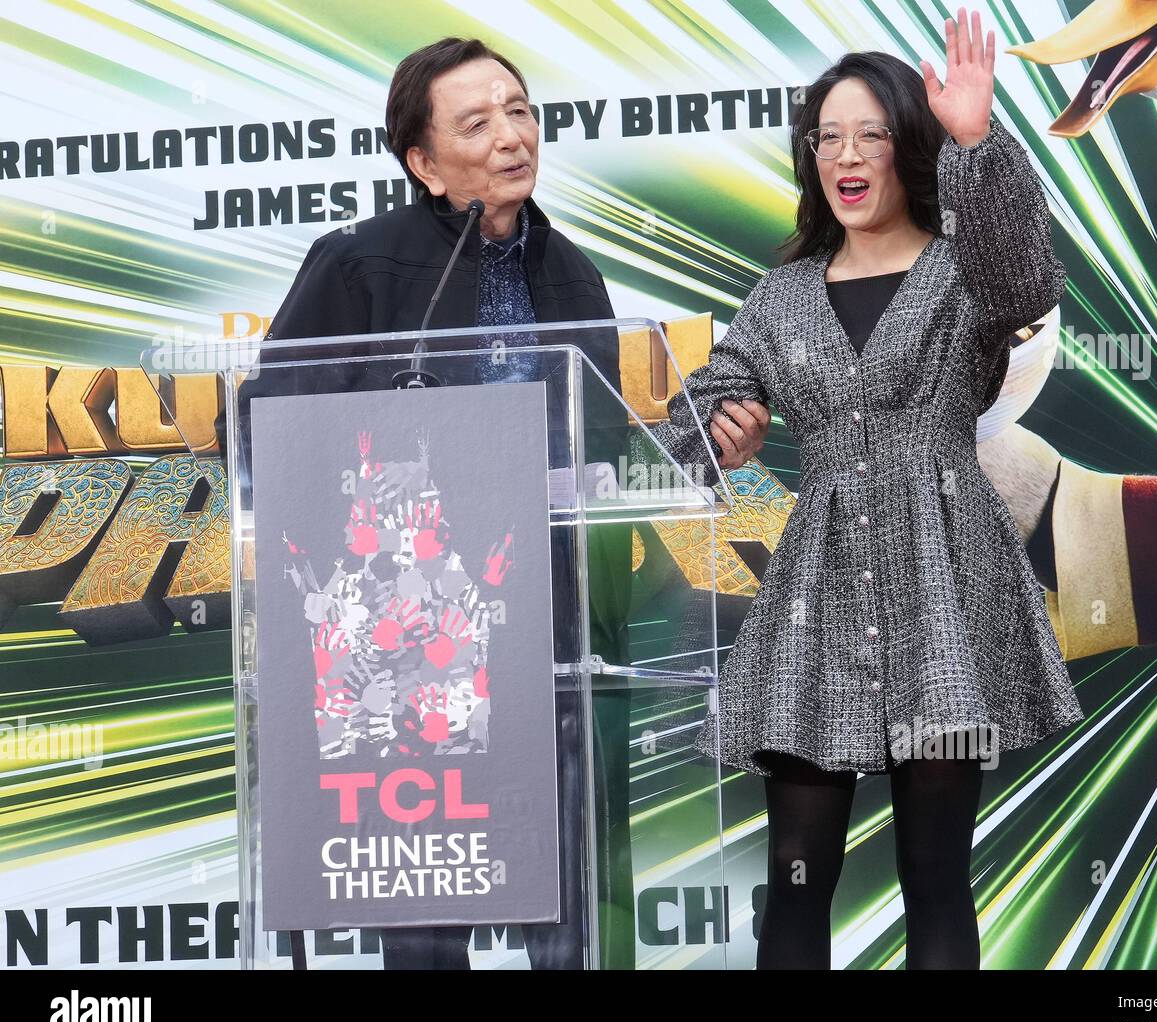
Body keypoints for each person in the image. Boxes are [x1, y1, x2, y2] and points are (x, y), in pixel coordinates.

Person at [217, 36, 769, 969]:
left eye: (519, 110)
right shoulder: (361, 265)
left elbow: (595, 464)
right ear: (423, 165)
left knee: (569, 892)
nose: (512, 136)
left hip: (554, 627)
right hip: (417, 635)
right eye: (477, 123)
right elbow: (263, 440)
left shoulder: (574, 275)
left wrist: (704, 452)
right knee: (427, 908)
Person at [641, 8, 1084, 969]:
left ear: (905, 149)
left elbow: (1029, 287)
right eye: (827, 136)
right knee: (797, 873)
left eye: (870, 135)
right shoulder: (783, 292)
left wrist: (977, 140)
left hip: (944, 580)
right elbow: (687, 428)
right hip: (818, 598)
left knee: (934, 873)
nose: (845, 155)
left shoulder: (964, 267)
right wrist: (723, 432)